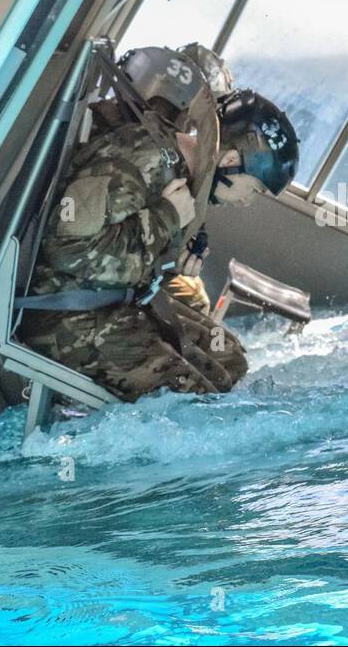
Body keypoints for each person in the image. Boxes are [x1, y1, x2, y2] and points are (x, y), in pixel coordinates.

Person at [19, 45, 300, 401]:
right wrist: (166, 218)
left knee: (229, 360)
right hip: (66, 316)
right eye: (254, 189)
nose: (246, 201)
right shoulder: (141, 156)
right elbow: (66, 251)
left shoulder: (178, 168)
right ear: (229, 159)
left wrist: (171, 257)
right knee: (192, 400)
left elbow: (122, 249)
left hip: (111, 304)